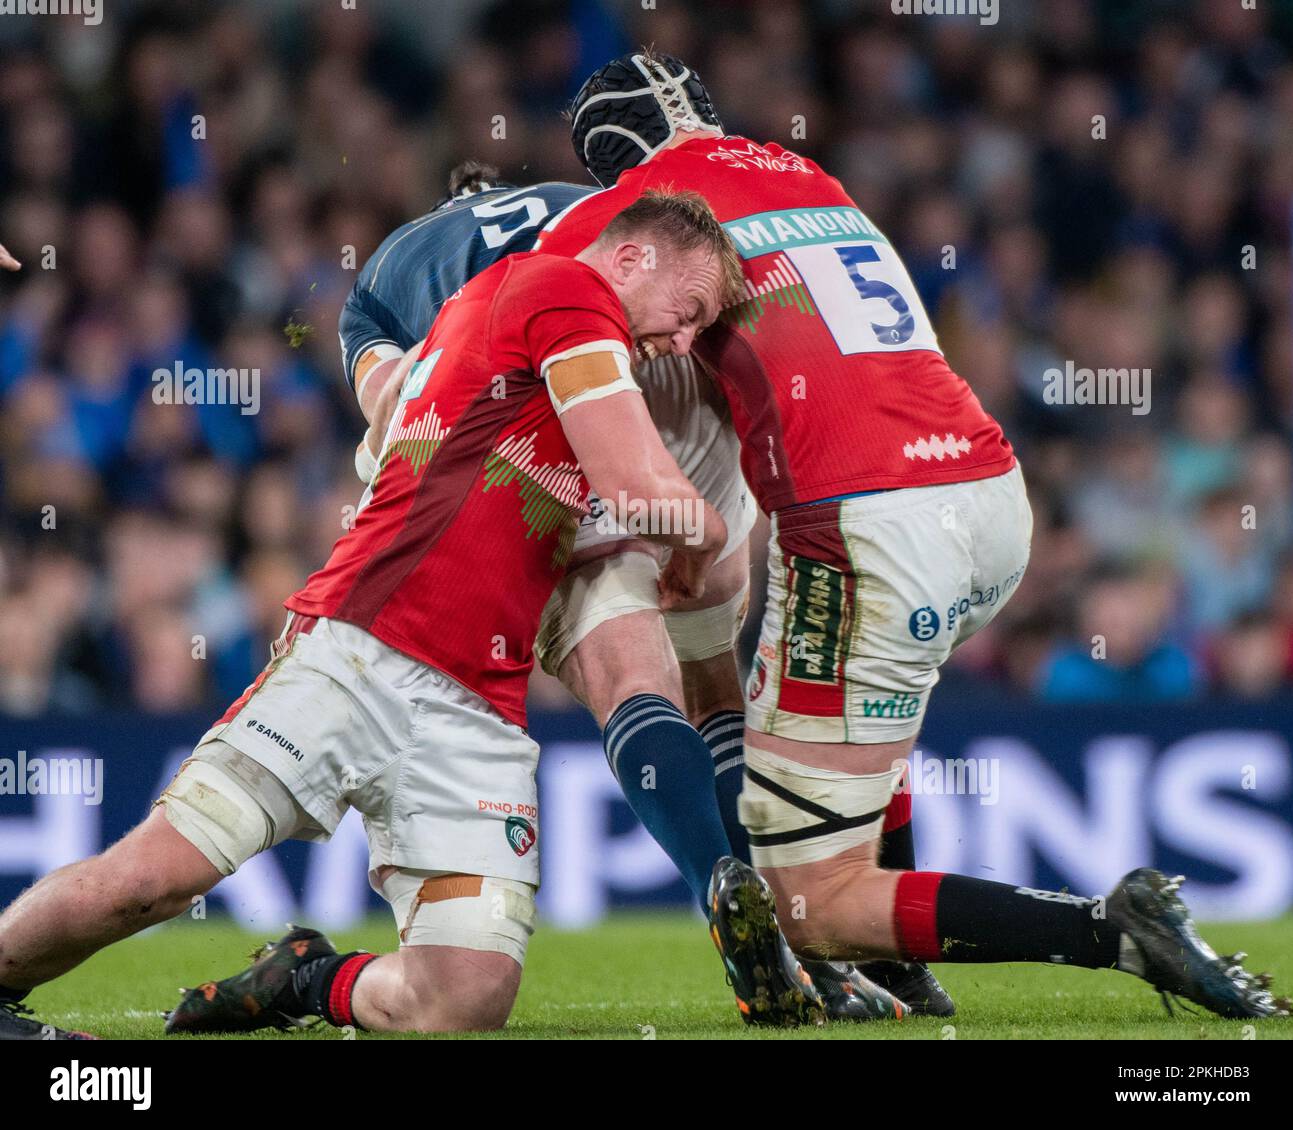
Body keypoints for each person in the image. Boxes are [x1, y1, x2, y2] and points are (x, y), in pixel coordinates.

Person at [549, 52, 1288, 1022]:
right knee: (863, 735)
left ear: (614, 164)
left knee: (807, 900)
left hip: (871, 527)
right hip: (987, 494)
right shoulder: (808, 175)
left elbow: (532, 298)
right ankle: (903, 968)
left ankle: (1112, 928)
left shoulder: (631, 216)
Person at [0, 189, 744, 1039]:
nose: (684, 343)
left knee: (462, 1003)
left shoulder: (529, 341)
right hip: (362, 655)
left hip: (479, 708)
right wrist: (705, 535)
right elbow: (638, 488)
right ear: (632, 258)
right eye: (688, 314)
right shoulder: (562, 293)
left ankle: (305, 980)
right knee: (148, 883)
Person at [338, 159, 891, 1022]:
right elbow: (683, 287)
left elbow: (397, 412)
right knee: (708, 687)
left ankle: (720, 883)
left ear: (448, 194)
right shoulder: (594, 207)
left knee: (624, 675)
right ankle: (795, 934)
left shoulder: (386, 275)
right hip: (675, 406)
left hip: (524, 434)